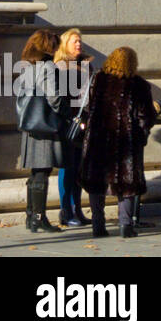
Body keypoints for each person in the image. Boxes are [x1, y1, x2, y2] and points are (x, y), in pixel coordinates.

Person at [79, 47, 157, 239]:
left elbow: (88, 107)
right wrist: (141, 135)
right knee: (126, 184)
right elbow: (145, 116)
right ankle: (125, 225)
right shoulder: (138, 84)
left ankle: (98, 225)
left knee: (97, 183)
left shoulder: (97, 80)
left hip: (98, 140)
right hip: (125, 143)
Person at [17, 29, 68, 233]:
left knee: (35, 172)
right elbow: (53, 97)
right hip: (45, 125)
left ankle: (31, 217)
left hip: (31, 125)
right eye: (56, 44)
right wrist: (66, 111)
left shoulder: (28, 67)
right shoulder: (47, 66)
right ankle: (39, 217)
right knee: (42, 172)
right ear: (49, 46)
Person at [54, 28, 91, 227]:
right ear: (65, 44)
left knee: (79, 169)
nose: (79, 44)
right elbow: (61, 98)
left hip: (84, 123)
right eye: (74, 41)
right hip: (69, 124)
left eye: (80, 41)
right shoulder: (60, 67)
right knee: (67, 168)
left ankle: (77, 208)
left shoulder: (85, 66)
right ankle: (65, 211)